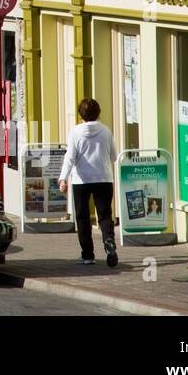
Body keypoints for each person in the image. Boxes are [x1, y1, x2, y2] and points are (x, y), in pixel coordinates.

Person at [58, 97, 118, 267]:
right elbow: (113, 156)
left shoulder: (75, 132)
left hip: (81, 180)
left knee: (83, 217)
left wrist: (63, 178)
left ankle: (87, 255)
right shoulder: (106, 131)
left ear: (81, 114)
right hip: (104, 178)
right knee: (105, 215)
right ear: (98, 112)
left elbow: (70, 158)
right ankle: (109, 242)